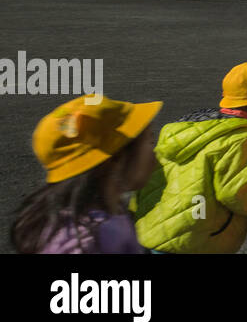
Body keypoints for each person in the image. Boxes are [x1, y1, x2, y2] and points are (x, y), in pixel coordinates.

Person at [134, 62, 247, 253]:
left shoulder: (188, 125)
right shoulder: (244, 137)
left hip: (153, 232)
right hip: (196, 240)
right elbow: (237, 193)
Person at [13, 95, 161, 254]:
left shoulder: (100, 216)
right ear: (115, 159)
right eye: (150, 141)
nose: (155, 152)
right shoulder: (89, 242)